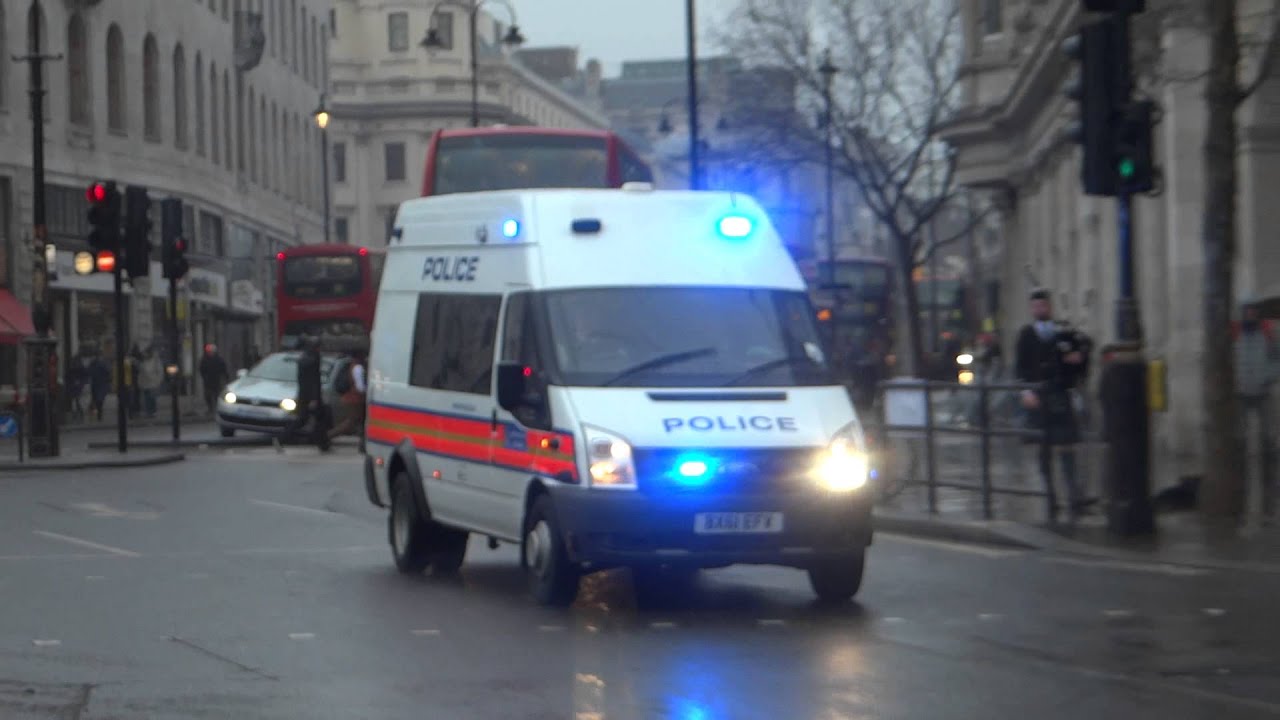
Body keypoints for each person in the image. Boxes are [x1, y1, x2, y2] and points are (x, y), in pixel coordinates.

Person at [1014, 288, 1096, 522]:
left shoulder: (1063, 333)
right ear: (1032, 309)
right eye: (1036, 306)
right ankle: (1051, 497)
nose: (1041, 309)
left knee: (1068, 447)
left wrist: (1079, 357)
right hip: (1039, 397)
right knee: (1044, 449)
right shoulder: (1026, 335)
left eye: (1044, 305)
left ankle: (1072, 497)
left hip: (1061, 394)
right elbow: (1020, 368)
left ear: (1050, 307)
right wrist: (1025, 391)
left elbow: (1081, 358)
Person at [1235, 299, 1278, 521]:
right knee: (1240, 438)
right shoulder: (1235, 332)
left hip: (1262, 390)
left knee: (1269, 438)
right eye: (1247, 310)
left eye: (1254, 310)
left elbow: (1277, 357)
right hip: (1241, 392)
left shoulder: (1268, 331)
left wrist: (1268, 376)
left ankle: (1270, 502)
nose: (1251, 314)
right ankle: (1241, 490)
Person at [294, 336, 331, 451]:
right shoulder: (313, 359)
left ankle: (323, 443)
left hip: (305, 394)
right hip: (311, 396)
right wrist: (314, 398)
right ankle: (282, 437)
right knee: (306, 419)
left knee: (318, 419)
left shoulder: (304, 358)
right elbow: (313, 380)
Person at [328, 351, 367, 443]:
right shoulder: (358, 368)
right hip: (355, 399)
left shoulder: (351, 366)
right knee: (351, 422)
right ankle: (327, 436)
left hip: (350, 398)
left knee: (359, 421)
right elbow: (360, 387)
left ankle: (363, 441)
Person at [198, 344, 229, 415]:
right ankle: (210, 408)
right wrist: (204, 377)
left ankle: (217, 408)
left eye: (211, 352)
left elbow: (223, 369)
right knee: (208, 395)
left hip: (216, 380)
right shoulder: (204, 359)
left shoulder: (218, 359)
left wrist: (225, 378)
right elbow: (201, 369)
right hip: (208, 380)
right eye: (208, 352)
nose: (210, 353)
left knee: (216, 395)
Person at [139, 347, 164, 419]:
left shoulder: (155, 361)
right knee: (147, 398)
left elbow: (159, 371)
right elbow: (142, 373)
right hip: (145, 383)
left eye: (145, 354)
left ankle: (152, 412)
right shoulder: (144, 361)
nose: (144, 355)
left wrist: (158, 380)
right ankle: (148, 412)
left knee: (151, 398)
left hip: (153, 382)